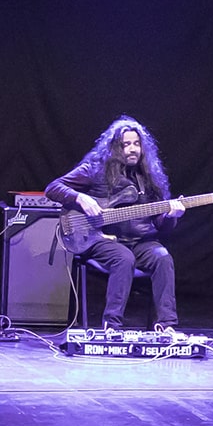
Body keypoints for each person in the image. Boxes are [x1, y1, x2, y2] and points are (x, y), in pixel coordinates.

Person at [45, 115, 184, 331]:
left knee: (163, 257)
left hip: (141, 242)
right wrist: (81, 198)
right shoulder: (94, 170)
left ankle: (167, 326)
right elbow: (53, 187)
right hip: (100, 239)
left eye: (137, 144)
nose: (132, 149)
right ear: (114, 147)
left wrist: (170, 216)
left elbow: (161, 225)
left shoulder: (150, 177)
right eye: (126, 144)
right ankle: (112, 325)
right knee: (123, 258)